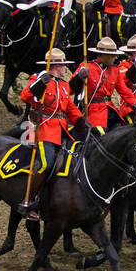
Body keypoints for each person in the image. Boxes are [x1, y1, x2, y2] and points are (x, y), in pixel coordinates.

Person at [18, 48, 88, 220]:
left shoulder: (63, 86)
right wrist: (41, 81)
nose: (66, 68)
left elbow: (70, 109)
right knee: (46, 165)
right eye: (64, 65)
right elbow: (25, 96)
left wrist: (84, 124)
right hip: (44, 130)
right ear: (56, 65)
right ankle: (29, 201)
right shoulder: (39, 79)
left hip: (62, 131)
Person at [72, 36, 136, 129]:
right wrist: (79, 77)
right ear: (103, 55)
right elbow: (70, 89)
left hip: (111, 111)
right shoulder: (86, 67)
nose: (116, 57)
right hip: (94, 112)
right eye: (113, 55)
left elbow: (126, 93)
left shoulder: (115, 70)